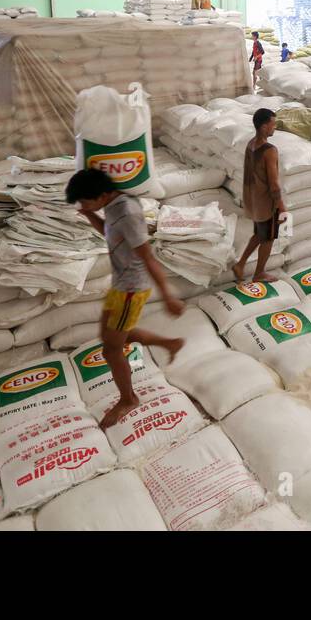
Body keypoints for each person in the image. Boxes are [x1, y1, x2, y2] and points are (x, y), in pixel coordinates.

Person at [66, 169, 185, 429]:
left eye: (86, 201)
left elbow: (147, 256)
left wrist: (167, 295)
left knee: (111, 350)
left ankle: (128, 399)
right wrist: (89, 214)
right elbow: (110, 233)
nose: (84, 205)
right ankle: (170, 343)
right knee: (112, 336)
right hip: (120, 285)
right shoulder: (111, 204)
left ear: (103, 194)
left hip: (131, 289)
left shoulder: (128, 212)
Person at [233, 108, 284, 283]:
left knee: (259, 234)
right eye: (272, 124)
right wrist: (281, 206)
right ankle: (259, 273)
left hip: (254, 200)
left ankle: (240, 264)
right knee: (268, 238)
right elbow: (274, 184)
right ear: (263, 127)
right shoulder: (270, 150)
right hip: (266, 203)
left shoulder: (250, 144)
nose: (274, 127)